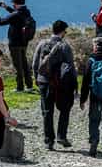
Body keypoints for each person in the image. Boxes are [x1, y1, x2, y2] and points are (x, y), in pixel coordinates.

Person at [32, 20, 77, 150]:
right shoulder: (65, 46)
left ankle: (48, 141)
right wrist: (74, 84)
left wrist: (37, 78)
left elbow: (35, 64)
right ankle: (61, 136)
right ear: (62, 32)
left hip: (44, 82)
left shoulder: (42, 44)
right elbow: (70, 67)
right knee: (65, 109)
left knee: (47, 111)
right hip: (60, 84)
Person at [0, 0, 35, 92]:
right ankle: (29, 85)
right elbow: (16, 14)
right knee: (24, 64)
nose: (12, 5)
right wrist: (6, 7)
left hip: (15, 43)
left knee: (18, 66)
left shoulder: (16, 14)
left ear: (16, 3)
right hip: (24, 42)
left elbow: (0, 22)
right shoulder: (26, 11)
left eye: (13, 3)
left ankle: (20, 87)